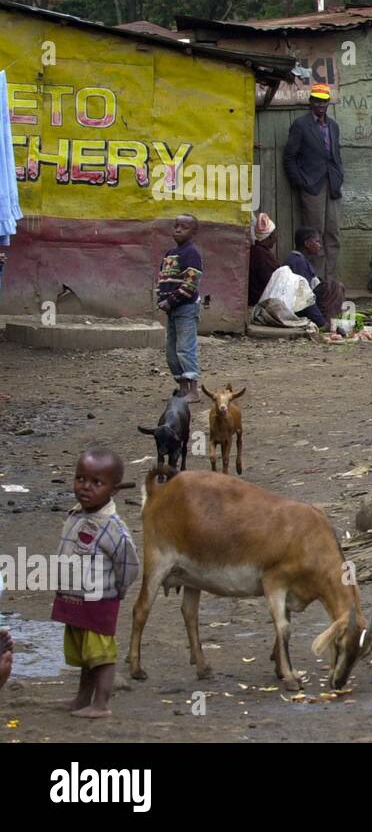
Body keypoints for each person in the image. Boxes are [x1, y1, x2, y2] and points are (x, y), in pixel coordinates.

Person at [51, 447, 139, 718]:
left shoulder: (112, 526)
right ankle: (82, 698)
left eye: (96, 483)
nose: (85, 487)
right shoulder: (76, 514)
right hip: (74, 598)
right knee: (84, 653)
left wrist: (117, 590)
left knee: (101, 654)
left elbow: (129, 564)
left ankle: (101, 704)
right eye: (81, 479)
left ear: (113, 490)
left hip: (99, 599)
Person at [283, 83, 344, 282]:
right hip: (312, 185)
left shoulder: (333, 125)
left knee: (333, 233)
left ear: (328, 103)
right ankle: (315, 280)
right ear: (311, 102)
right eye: (317, 100)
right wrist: (302, 183)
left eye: (324, 101)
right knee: (314, 235)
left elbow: (336, 155)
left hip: (332, 185)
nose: (320, 105)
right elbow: (289, 157)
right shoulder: (301, 125)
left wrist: (338, 175)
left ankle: (330, 280)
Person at [156, 214, 203, 403]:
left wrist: (171, 300)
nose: (178, 230)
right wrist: (161, 299)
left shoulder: (192, 253)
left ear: (193, 232)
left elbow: (190, 284)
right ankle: (182, 386)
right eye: (176, 226)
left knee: (185, 348)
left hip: (186, 308)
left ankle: (193, 389)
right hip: (172, 309)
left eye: (184, 227)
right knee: (171, 351)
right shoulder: (169, 254)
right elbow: (162, 280)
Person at [285, 228, 346, 329]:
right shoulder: (298, 262)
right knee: (335, 287)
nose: (320, 245)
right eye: (317, 242)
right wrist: (321, 323)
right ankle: (331, 324)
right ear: (307, 243)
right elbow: (304, 296)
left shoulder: (300, 260)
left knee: (331, 285)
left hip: (302, 304)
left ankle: (334, 323)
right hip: (298, 308)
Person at [248, 212, 279, 307]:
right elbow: (272, 281)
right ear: (270, 237)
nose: (276, 238)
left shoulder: (258, 251)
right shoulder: (261, 254)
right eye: (275, 235)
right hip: (261, 302)